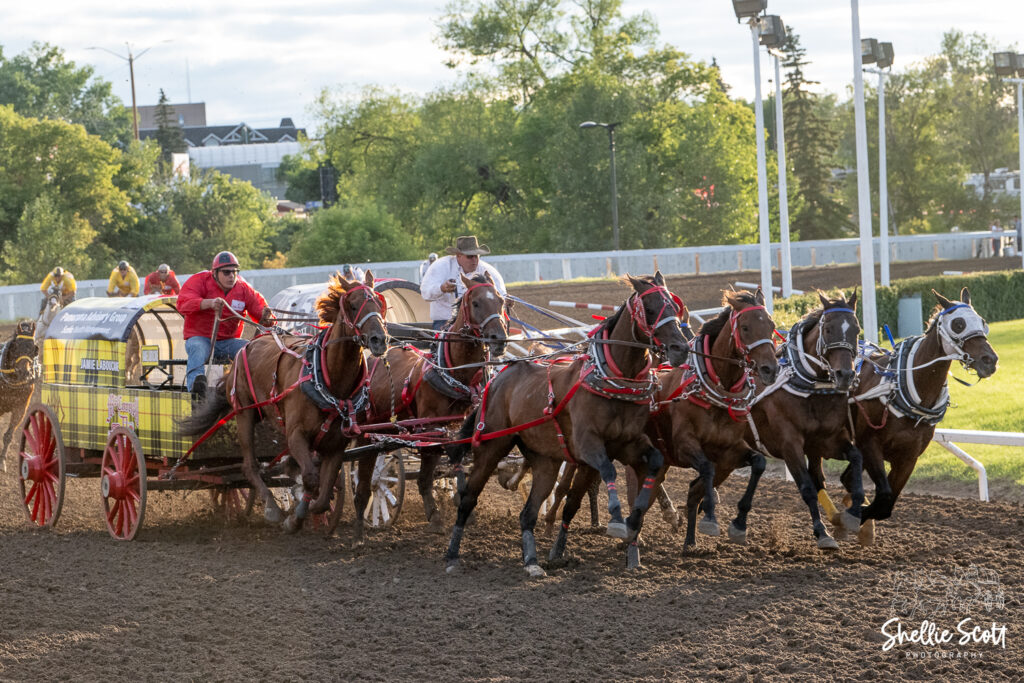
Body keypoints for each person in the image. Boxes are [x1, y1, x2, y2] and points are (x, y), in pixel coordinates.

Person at [177, 250, 275, 397]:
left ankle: (254, 390)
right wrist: (207, 303)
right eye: (227, 272)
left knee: (252, 349)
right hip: (201, 339)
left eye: (234, 272)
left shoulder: (243, 289)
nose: (231, 276)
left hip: (228, 342)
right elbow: (182, 303)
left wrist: (268, 318)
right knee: (197, 348)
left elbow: (261, 312)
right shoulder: (199, 281)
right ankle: (196, 391)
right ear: (215, 273)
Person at [420, 235, 506, 330]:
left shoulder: (488, 270)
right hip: (444, 321)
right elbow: (425, 293)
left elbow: (501, 295)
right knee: (441, 342)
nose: (474, 260)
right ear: (458, 256)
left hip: (479, 323)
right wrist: (442, 288)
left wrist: (505, 300)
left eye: (476, 256)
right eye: (470, 257)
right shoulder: (440, 266)